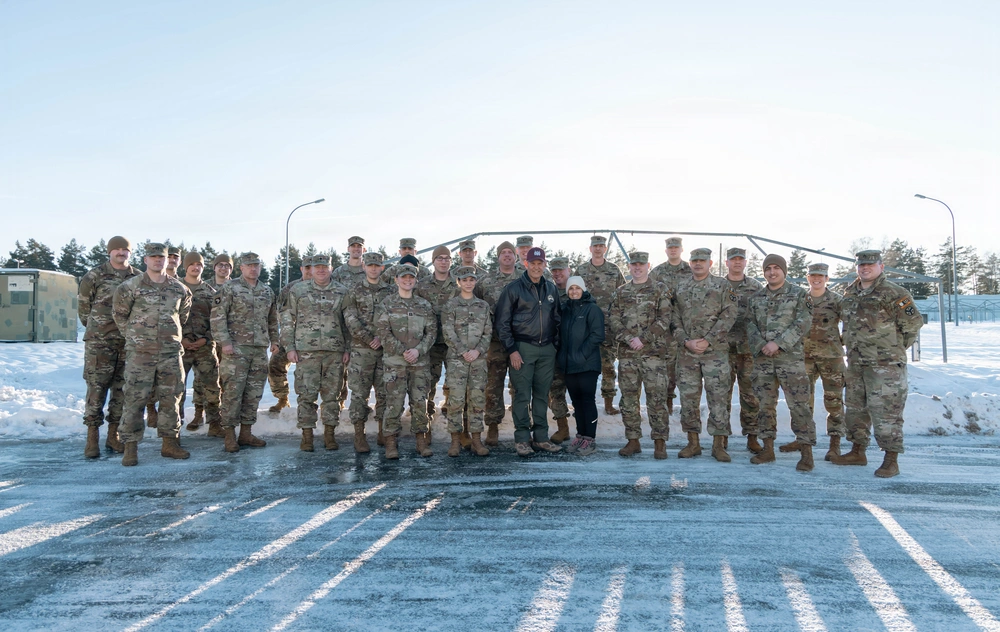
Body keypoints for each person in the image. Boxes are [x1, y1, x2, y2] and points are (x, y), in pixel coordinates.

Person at [832, 250, 923, 478]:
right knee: (855, 410)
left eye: (870, 264)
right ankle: (857, 451)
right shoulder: (850, 293)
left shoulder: (895, 293)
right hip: (856, 363)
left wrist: (893, 349)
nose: (865, 268)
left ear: (881, 267)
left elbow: (913, 324)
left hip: (885, 366)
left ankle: (891, 459)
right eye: (861, 264)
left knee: (886, 412)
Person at [112, 243, 192, 466]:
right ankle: (130, 447)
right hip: (140, 354)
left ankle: (170, 443)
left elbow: (182, 316)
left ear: (168, 261)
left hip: (170, 352)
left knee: (172, 398)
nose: (158, 260)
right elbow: (120, 316)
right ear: (145, 260)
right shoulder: (130, 287)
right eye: (153, 257)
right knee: (134, 399)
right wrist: (136, 337)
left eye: (162, 257)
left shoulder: (179, 289)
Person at [745, 254, 815, 470]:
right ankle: (768, 449)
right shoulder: (756, 297)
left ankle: (806, 453)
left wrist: (779, 343)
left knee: (799, 406)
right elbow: (749, 324)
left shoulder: (798, 294)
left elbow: (803, 322)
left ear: (784, 271)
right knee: (765, 406)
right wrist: (761, 345)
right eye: (768, 269)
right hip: (763, 361)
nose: (772, 272)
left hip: (790, 360)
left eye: (776, 268)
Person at [494, 247, 562, 457]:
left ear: (544, 265)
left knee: (542, 395)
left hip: (546, 350)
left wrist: (555, 347)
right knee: (522, 395)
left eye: (540, 263)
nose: (536, 267)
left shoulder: (551, 289)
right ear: (526, 264)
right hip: (523, 348)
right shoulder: (514, 289)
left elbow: (557, 319)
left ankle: (541, 437)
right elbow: (502, 322)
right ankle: (522, 438)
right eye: (532, 263)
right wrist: (512, 350)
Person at [210, 251, 278, 453]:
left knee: (253, 393)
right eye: (249, 265)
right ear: (241, 268)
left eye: (256, 265)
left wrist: (275, 340)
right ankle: (229, 434)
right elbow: (218, 317)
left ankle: (246, 432)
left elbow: (272, 319)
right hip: (236, 348)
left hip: (258, 350)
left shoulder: (266, 291)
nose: (253, 268)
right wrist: (225, 342)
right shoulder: (230, 288)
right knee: (232, 392)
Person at [79, 235, 140, 458]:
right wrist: (99, 328)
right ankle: (92, 438)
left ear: (130, 253)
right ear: (109, 252)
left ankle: (113, 436)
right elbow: (84, 309)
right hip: (100, 342)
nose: (121, 252)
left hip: (128, 343)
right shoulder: (94, 276)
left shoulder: (138, 278)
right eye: (117, 249)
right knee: (96, 388)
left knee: (122, 391)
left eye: (125, 249)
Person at [672, 247, 737, 459]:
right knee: (688, 399)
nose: (698, 263)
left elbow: (729, 314)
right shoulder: (680, 286)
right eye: (694, 260)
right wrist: (686, 341)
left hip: (715, 353)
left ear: (710, 263)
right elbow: (674, 317)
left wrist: (708, 340)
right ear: (690, 262)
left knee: (718, 399)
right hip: (687, 353)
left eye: (702, 260)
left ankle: (718, 445)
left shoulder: (722, 285)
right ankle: (693, 443)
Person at [282, 255, 350, 452]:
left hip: (334, 352)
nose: (321, 270)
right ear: (310, 269)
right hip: (306, 351)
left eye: (325, 267)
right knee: (306, 395)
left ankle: (330, 435)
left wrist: (347, 348)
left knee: (332, 396)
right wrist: (290, 347)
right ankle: (307, 436)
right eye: (317, 267)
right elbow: (287, 319)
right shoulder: (298, 290)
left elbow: (348, 322)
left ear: (331, 268)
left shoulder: (342, 291)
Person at [609, 252, 673, 459]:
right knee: (628, 400)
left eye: (641, 264)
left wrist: (643, 339)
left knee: (657, 399)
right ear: (629, 267)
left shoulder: (659, 289)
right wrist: (629, 338)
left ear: (648, 265)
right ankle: (633, 440)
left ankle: (659, 442)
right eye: (634, 264)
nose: (637, 268)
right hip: (628, 355)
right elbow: (614, 320)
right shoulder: (621, 292)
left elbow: (665, 319)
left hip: (653, 354)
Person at [783, 262, 846, 461]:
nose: (816, 279)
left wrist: (841, 341)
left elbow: (852, 323)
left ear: (827, 278)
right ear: (807, 277)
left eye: (821, 275)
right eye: (813, 275)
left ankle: (834, 444)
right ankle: (802, 439)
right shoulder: (800, 298)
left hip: (831, 358)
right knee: (802, 402)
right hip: (803, 357)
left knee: (834, 402)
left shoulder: (837, 300)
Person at [376, 264, 437, 459]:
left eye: (411, 278)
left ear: (415, 280)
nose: (407, 280)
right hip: (395, 362)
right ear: (396, 280)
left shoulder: (424, 305)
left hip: (419, 363)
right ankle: (391, 443)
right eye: (404, 278)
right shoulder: (387, 304)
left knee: (420, 402)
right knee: (394, 403)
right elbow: (383, 333)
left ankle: (421, 440)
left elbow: (432, 332)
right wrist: (404, 352)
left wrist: (418, 351)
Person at [343, 252, 393, 452]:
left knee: (385, 393)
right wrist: (368, 338)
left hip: (384, 350)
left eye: (377, 265)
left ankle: (383, 431)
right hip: (361, 350)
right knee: (359, 394)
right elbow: (350, 317)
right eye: (370, 265)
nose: (373, 268)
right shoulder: (354, 290)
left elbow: (394, 318)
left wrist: (382, 338)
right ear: (363, 267)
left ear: (382, 268)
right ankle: (359, 435)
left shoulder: (390, 291)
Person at [441, 266, 493, 456]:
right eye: (465, 280)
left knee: (477, 400)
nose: (469, 283)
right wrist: (464, 351)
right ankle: (455, 441)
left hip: (478, 361)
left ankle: (477, 440)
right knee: (455, 401)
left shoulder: (483, 306)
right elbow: (448, 333)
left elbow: (488, 332)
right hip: (457, 361)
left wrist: (477, 351)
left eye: (472, 279)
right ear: (459, 282)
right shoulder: (451, 306)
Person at [474, 241, 521, 445]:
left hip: (520, 341)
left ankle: (522, 427)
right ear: (498, 257)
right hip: (494, 342)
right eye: (503, 252)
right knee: (492, 386)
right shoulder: (486, 281)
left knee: (520, 385)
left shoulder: (525, 279)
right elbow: (475, 306)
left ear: (516, 256)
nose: (507, 255)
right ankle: (492, 426)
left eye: (510, 252)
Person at [576, 235, 626, 415]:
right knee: (583, 368)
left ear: (605, 249)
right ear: (590, 248)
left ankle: (608, 402)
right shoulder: (581, 270)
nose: (598, 249)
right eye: (595, 246)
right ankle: (583, 403)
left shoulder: (614, 270)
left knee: (608, 366)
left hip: (608, 328)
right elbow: (574, 296)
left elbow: (622, 296)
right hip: (586, 329)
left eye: (601, 246)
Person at [558, 276, 606, 456]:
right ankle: (580, 435)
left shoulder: (592, 309)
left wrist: (581, 354)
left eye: (577, 288)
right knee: (576, 402)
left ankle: (590, 439)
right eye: (571, 288)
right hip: (569, 365)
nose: (574, 291)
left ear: (583, 289)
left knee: (587, 400)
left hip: (587, 364)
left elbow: (597, 335)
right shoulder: (565, 310)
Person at [724, 247, 764, 454]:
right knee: (722, 395)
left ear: (745, 263)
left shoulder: (756, 287)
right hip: (723, 348)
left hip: (748, 349)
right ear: (727, 263)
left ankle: (752, 436)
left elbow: (762, 316)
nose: (737, 263)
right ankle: (721, 438)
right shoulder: (718, 286)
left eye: (741, 259)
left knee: (750, 395)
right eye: (733, 260)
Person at [178, 252, 222, 436]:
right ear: (185, 267)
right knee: (176, 389)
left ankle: (214, 424)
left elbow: (218, 320)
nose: (196, 267)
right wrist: (181, 339)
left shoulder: (211, 292)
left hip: (205, 347)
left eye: (199, 264)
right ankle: (175, 426)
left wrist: (206, 339)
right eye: (192, 264)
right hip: (180, 347)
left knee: (212, 387)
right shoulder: (176, 288)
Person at [416, 246, 460, 418]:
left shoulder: (459, 284)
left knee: (455, 382)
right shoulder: (422, 285)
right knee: (429, 381)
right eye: (439, 258)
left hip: (454, 343)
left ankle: (454, 416)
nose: (443, 261)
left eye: (446, 258)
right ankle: (427, 416)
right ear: (433, 261)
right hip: (430, 343)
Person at [650, 236, 692, 415]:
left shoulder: (690, 270)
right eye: (670, 248)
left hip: (685, 324)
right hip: (664, 327)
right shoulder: (657, 272)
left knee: (683, 366)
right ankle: (666, 400)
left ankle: (687, 405)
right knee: (665, 365)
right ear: (666, 250)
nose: (673, 250)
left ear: (681, 249)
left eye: (676, 247)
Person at [268, 259, 312, 415]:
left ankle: (337, 403)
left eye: (314, 267)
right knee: (275, 364)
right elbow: (280, 313)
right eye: (307, 267)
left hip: (316, 339)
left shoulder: (328, 287)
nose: (310, 270)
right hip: (291, 336)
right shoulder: (290, 289)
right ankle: (282, 398)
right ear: (301, 268)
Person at [547, 257, 572, 443]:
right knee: (555, 389)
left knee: (580, 391)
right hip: (554, 349)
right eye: (554, 270)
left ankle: (586, 432)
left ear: (568, 270)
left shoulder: (576, 291)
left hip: (575, 351)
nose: (557, 273)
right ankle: (563, 428)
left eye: (561, 270)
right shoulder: (549, 292)